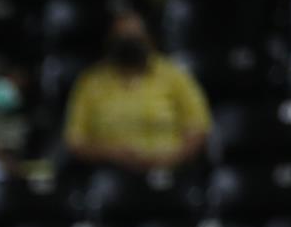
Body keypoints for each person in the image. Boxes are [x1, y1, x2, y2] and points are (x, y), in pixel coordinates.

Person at [63, 10, 212, 175]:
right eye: (122, 39)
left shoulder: (175, 76)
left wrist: (170, 158)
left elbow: (198, 129)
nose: (129, 44)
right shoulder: (90, 81)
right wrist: (110, 153)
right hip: (108, 172)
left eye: (134, 38)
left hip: (169, 170)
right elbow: (75, 141)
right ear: (110, 41)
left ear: (149, 39)